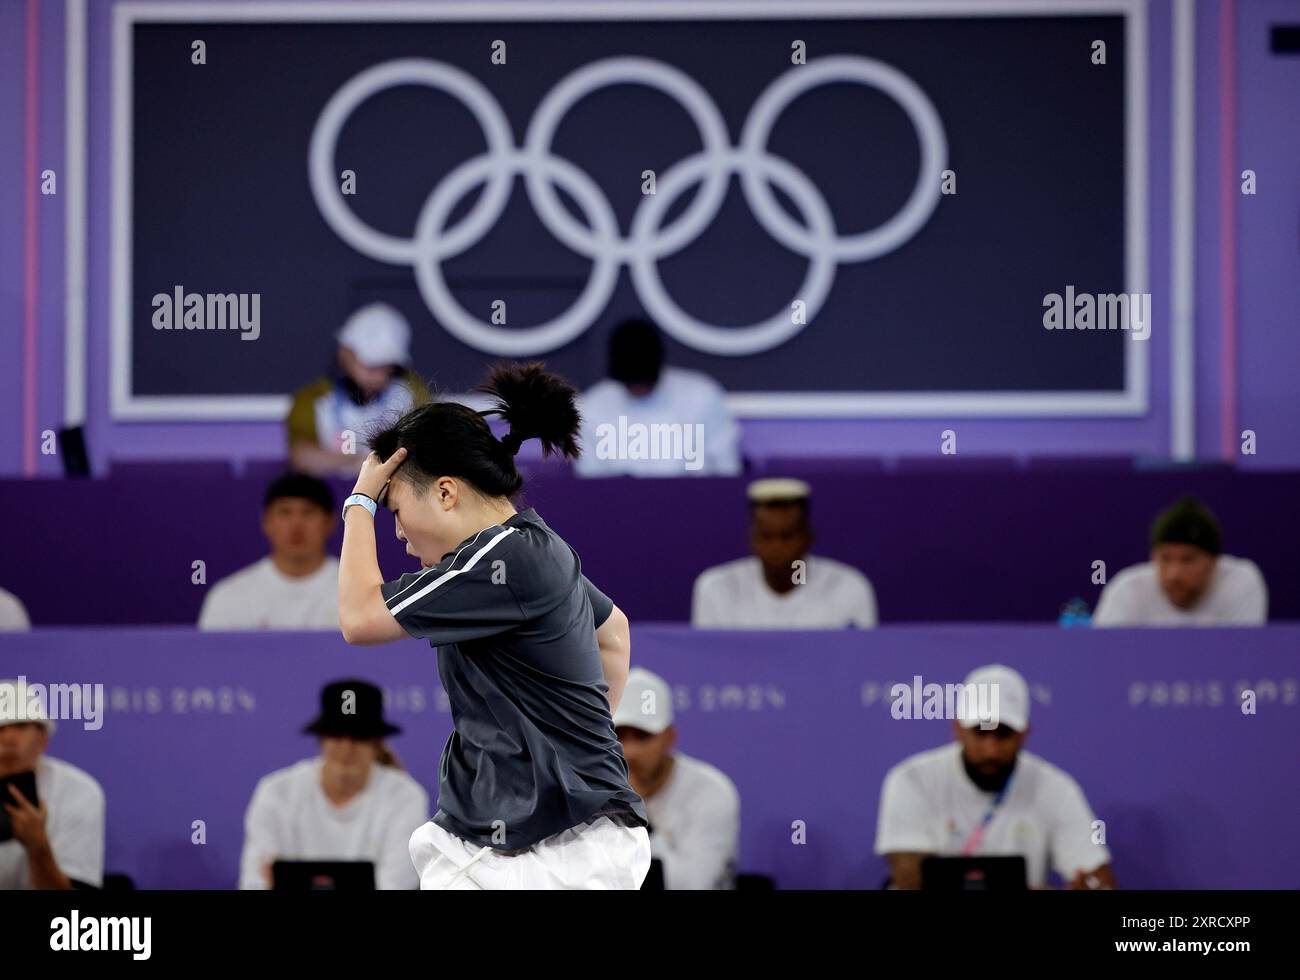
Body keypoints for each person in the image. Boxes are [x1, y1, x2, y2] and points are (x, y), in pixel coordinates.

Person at [336, 362, 650, 889]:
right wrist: (581, 751)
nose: (398, 535)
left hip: (555, 852)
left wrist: (359, 501)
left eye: (396, 509)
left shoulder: (498, 560)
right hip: (539, 840)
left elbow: (360, 619)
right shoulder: (535, 545)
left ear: (445, 492)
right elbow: (613, 632)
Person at [875, 665, 1115, 890]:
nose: (992, 749)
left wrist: (1092, 885)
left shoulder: (1057, 788)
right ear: (958, 729)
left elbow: (1097, 876)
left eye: (1004, 733)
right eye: (981, 731)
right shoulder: (912, 779)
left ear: (1024, 734)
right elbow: (910, 878)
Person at [239, 679, 429, 890]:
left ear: (376, 743)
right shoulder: (276, 793)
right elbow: (255, 882)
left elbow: (395, 885)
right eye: (337, 734)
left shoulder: (404, 797)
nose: (347, 747)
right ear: (321, 738)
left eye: (359, 736)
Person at [613, 667, 740, 889]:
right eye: (619, 736)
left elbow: (693, 883)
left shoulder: (711, 792)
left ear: (669, 737)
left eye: (643, 736)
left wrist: (633, 812)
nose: (630, 751)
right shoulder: (594, 790)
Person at [692, 478, 877, 628]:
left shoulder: (847, 588)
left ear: (808, 538)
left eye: (787, 536)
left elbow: (860, 663)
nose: (776, 547)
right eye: (766, 536)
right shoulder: (717, 589)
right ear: (752, 539)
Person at [574, 318, 741, 476]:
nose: (639, 390)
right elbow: (590, 481)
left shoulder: (702, 396)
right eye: (630, 382)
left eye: (645, 381)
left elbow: (726, 469)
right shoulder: (593, 407)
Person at [287, 303, 430, 477]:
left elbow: (427, 448)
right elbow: (301, 457)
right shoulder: (313, 399)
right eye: (370, 365)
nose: (378, 376)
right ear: (345, 353)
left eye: (386, 367)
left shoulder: (412, 392)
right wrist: (359, 463)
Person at [1093, 496, 1267, 626]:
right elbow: (1103, 659)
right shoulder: (1127, 588)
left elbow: (1241, 659)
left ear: (1214, 562)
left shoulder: (1241, 582)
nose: (1174, 573)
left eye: (1188, 559)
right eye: (1165, 558)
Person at [197, 473, 340, 631]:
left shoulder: (359, 593)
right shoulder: (229, 596)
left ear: (330, 522)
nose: (296, 525)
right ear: (266, 522)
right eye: (285, 512)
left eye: (308, 512)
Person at [0, 679, 105, 890]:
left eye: (20, 726)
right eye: (0, 728)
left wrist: (39, 847)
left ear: (42, 739)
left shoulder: (79, 792)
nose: (9, 738)